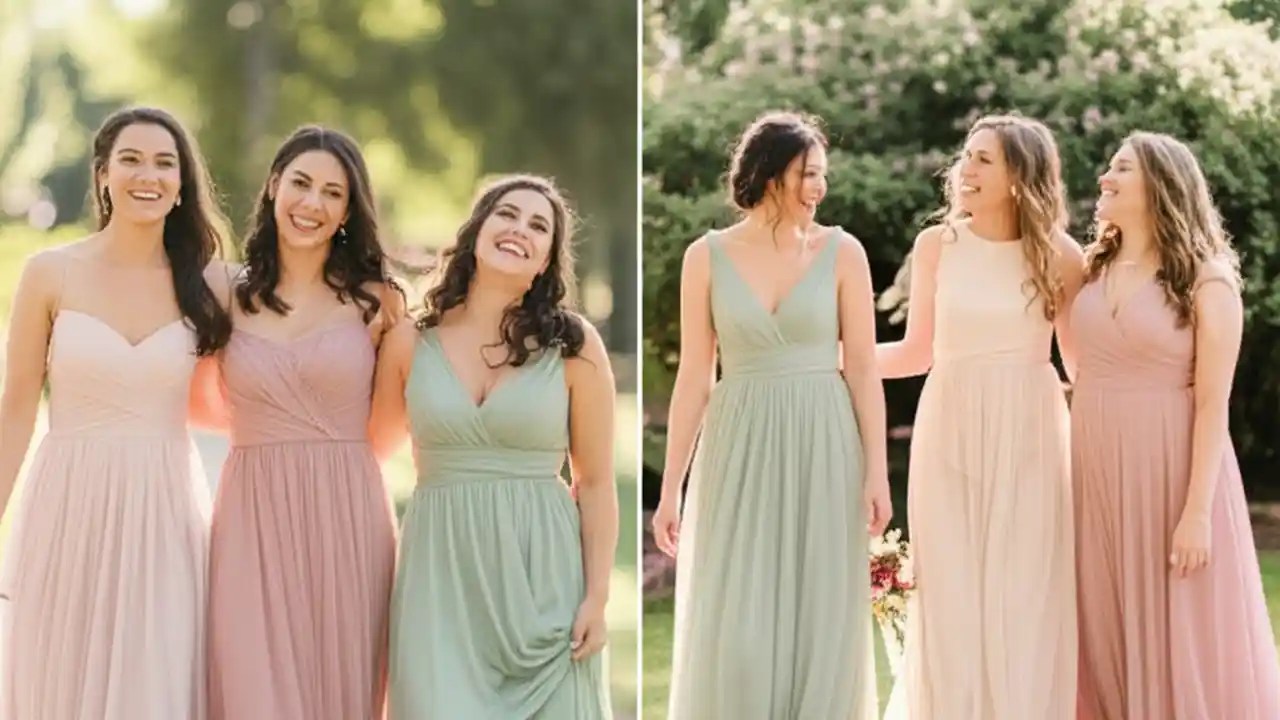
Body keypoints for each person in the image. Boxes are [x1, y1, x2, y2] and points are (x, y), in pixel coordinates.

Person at [652, 111, 890, 719]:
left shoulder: (845, 253)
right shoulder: (706, 257)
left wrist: (877, 473)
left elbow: (862, 367)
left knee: (822, 613)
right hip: (740, 442)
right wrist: (671, 488)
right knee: (738, 622)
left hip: (824, 437)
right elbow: (693, 379)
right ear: (769, 173)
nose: (819, 187)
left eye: (822, 176)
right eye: (808, 173)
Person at [0, 106, 232, 719]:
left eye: (164, 163)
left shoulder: (215, 284)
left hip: (164, 507)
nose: (147, 175)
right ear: (103, 174)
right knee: (58, 679)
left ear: (182, 184)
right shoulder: (49, 273)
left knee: (154, 681)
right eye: (131, 159)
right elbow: (16, 410)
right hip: (66, 503)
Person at [370, 175, 617, 718]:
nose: (519, 230)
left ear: (547, 258)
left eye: (538, 226)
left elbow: (596, 483)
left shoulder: (573, 347)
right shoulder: (410, 341)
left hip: (544, 581)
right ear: (477, 231)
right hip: (441, 582)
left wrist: (596, 597)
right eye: (507, 214)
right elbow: (367, 451)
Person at [878, 114, 1082, 719]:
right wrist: (835, 359)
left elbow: (1077, 364)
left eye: (984, 159)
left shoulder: (1060, 256)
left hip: (1031, 434)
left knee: (1024, 592)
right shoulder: (937, 245)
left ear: (1020, 175)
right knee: (952, 593)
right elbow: (917, 350)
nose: (965, 169)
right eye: (966, 155)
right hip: (951, 429)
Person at [1072, 131, 1280, 719]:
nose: (1104, 178)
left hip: (1171, 472)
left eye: (1120, 169)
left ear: (1159, 184)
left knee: (1177, 626)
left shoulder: (1207, 281)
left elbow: (1214, 403)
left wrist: (1195, 512)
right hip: (1093, 471)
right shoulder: (1092, 269)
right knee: (1103, 619)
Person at [203, 126, 402, 720]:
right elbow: (186, 399)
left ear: (348, 210)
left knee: (343, 692)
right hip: (250, 515)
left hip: (348, 514)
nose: (312, 203)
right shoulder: (224, 291)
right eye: (301, 183)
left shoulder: (377, 300)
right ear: (273, 187)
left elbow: (390, 427)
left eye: (332, 193)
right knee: (248, 690)